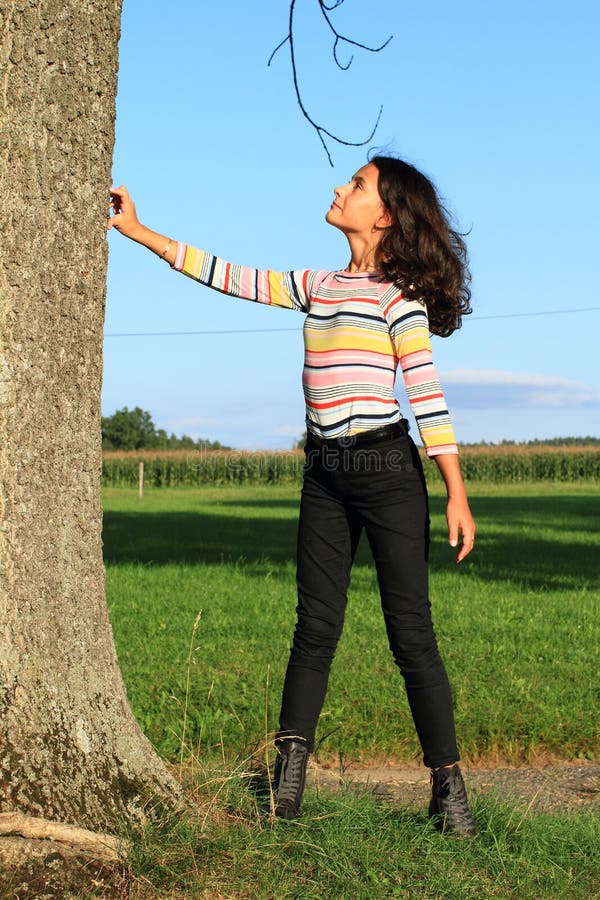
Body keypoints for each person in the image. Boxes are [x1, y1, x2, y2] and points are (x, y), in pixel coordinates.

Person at [107, 155, 477, 836]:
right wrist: (141, 231)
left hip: (389, 475)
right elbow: (229, 276)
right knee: (314, 628)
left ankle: (450, 792)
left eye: (356, 186)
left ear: (386, 214)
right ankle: (287, 789)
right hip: (326, 477)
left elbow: (427, 399)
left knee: (411, 635)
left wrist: (457, 494)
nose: (339, 189)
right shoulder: (318, 285)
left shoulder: (401, 301)